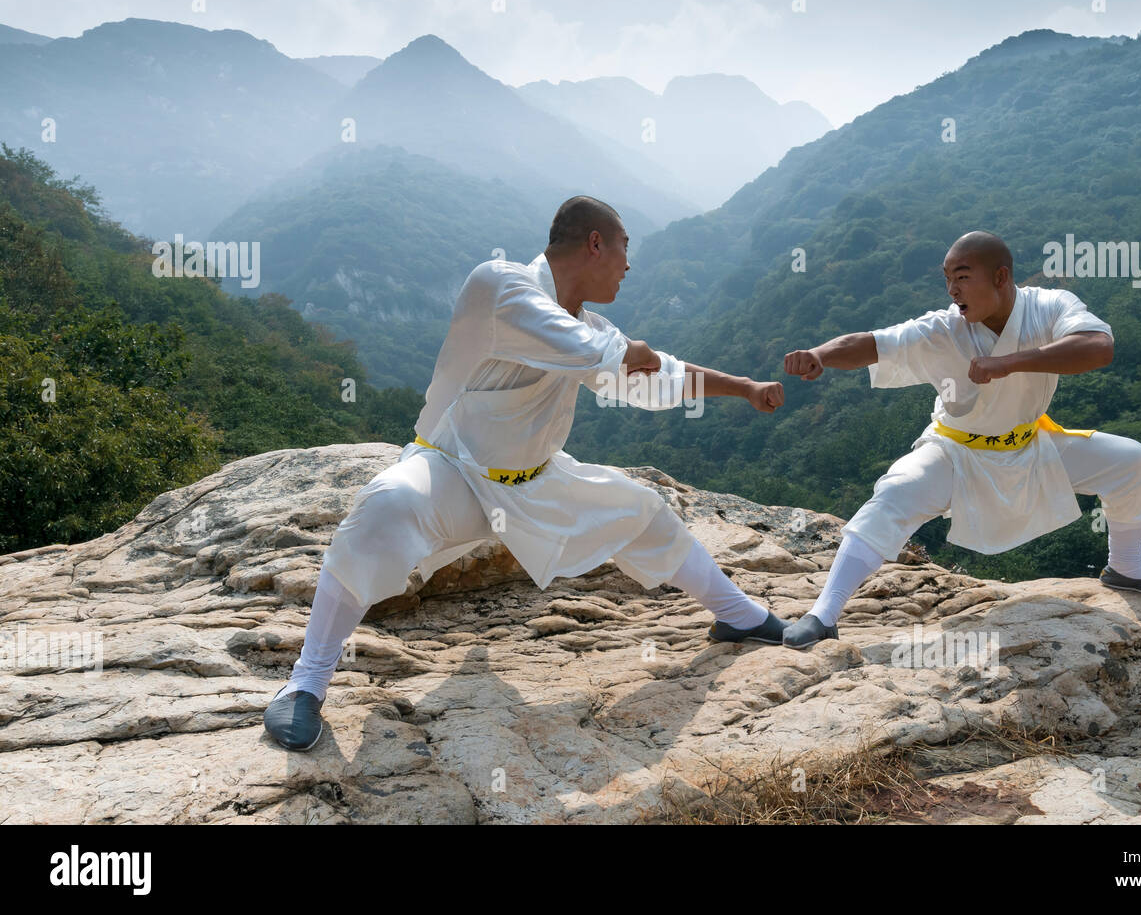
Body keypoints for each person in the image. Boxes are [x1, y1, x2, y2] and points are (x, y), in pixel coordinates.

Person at [264, 196, 789, 750]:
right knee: (386, 506)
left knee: (644, 510)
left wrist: (745, 388)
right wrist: (627, 350)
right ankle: (305, 684)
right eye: (624, 248)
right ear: (594, 243)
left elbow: (652, 375)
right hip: (453, 472)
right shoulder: (501, 285)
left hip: (537, 481)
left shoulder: (586, 328)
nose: (628, 265)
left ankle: (742, 617)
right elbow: (594, 350)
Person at [780, 230, 1141, 650]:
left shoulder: (1048, 306)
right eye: (947, 279)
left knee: (1133, 461)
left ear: (1000, 276)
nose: (952, 289)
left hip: (1031, 445)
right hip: (955, 452)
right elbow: (872, 343)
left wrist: (1009, 363)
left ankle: (1126, 568)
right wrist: (820, 355)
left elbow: (1098, 347)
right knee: (895, 493)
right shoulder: (942, 330)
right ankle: (823, 614)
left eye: (962, 276)